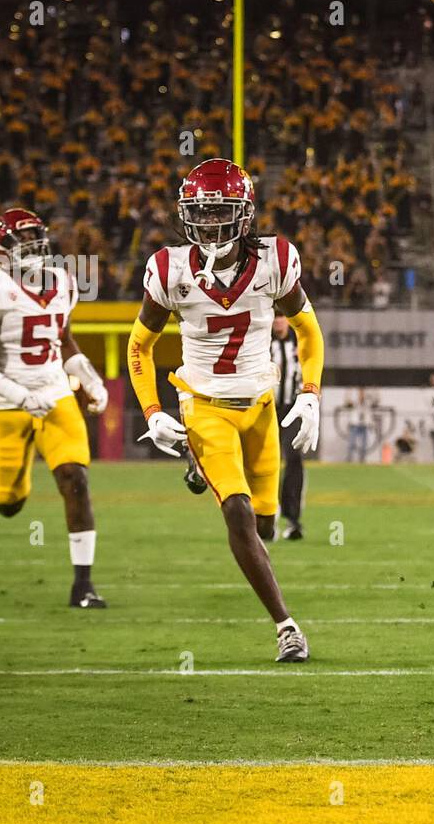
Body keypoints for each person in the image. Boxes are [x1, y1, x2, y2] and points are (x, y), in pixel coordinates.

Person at [127, 159, 323, 663]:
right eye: (201, 214)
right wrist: (152, 410)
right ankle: (287, 626)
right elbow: (139, 345)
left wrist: (310, 393)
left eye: (221, 214)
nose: (210, 225)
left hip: (260, 406)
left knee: (263, 527)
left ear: (245, 215)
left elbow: (308, 329)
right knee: (235, 512)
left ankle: (200, 466)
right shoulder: (169, 268)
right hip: (204, 405)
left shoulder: (276, 259)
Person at [0, 211, 109, 607]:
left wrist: (90, 379)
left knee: (75, 478)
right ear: (1, 250)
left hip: (55, 393)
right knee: (9, 504)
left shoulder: (62, 282)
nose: (33, 247)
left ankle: (83, 585)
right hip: (6, 400)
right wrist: (21, 397)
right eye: (21, 240)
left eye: (36, 238)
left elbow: (64, 341)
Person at [271, 314, 306, 539]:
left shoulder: (300, 340)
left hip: (293, 408)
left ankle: (293, 520)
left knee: (294, 458)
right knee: (267, 461)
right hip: (267, 409)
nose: (278, 322)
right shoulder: (262, 342)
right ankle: (266, 517)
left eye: (282, 317)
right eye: (275, 317)